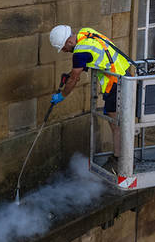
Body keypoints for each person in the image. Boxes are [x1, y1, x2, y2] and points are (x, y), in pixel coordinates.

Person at [49, 25, 132, 161]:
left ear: (69, 42)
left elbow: (75, 78)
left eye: (63, 48)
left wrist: (62, 95)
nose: (64, 51)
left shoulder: (80, 52)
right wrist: (69, 75)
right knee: (117, 122)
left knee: (116, 123)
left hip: (115, 82)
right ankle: (120, 157)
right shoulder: (86, 32)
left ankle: (122, 160)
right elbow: (86, 64)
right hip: (123, 73)